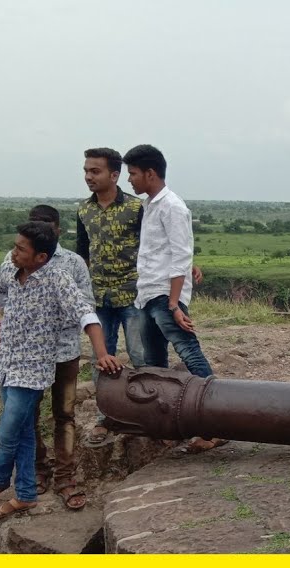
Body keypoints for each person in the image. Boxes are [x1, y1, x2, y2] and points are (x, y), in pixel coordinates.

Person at [0, 222, 122, 521]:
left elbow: (86, 313)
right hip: (6, 363)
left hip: (33, 370)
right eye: (16, 245)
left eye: (21, 248)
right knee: (23, 432)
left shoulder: (58, 279)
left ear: (41, 257)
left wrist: (101, 353)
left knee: (8, 430)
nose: (14, 251)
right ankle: (25, 495)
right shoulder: (10, 270)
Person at [78, 146, 203, 445]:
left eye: (95, 171)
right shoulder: (85, 210)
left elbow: (170, 245)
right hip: (104, 297)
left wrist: (185, 272)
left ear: (114, 174)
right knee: (104, 359)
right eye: (86, 171)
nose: (88, 177)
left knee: (145, 357)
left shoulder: (139, 207)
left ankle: (168, 416)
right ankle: (108, 417)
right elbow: (84, 253)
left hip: (135, 293)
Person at [0, 205, 92, 509]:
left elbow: (86, 306)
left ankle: (65, 477)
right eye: (35, 223)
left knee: (64, 415)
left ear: (58, 229)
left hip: (64, 352)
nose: (41, 228)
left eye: (46, 224)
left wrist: (49, 318)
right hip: (25, 360)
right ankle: (36, 474)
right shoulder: (16, 259)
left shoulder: (71, 264)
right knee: (25, 419)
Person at [123, 144, 225, 453]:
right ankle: (169, 425)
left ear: (150, 174)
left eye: (133, 174)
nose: (130, 181)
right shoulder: (151, 205)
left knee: (190, 355)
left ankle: (218, 423)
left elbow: (181, 255)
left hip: (165, 296)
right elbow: (166, 251)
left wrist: (175, 303)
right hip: (148, 294)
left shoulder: (173, 207)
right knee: (156, 366)